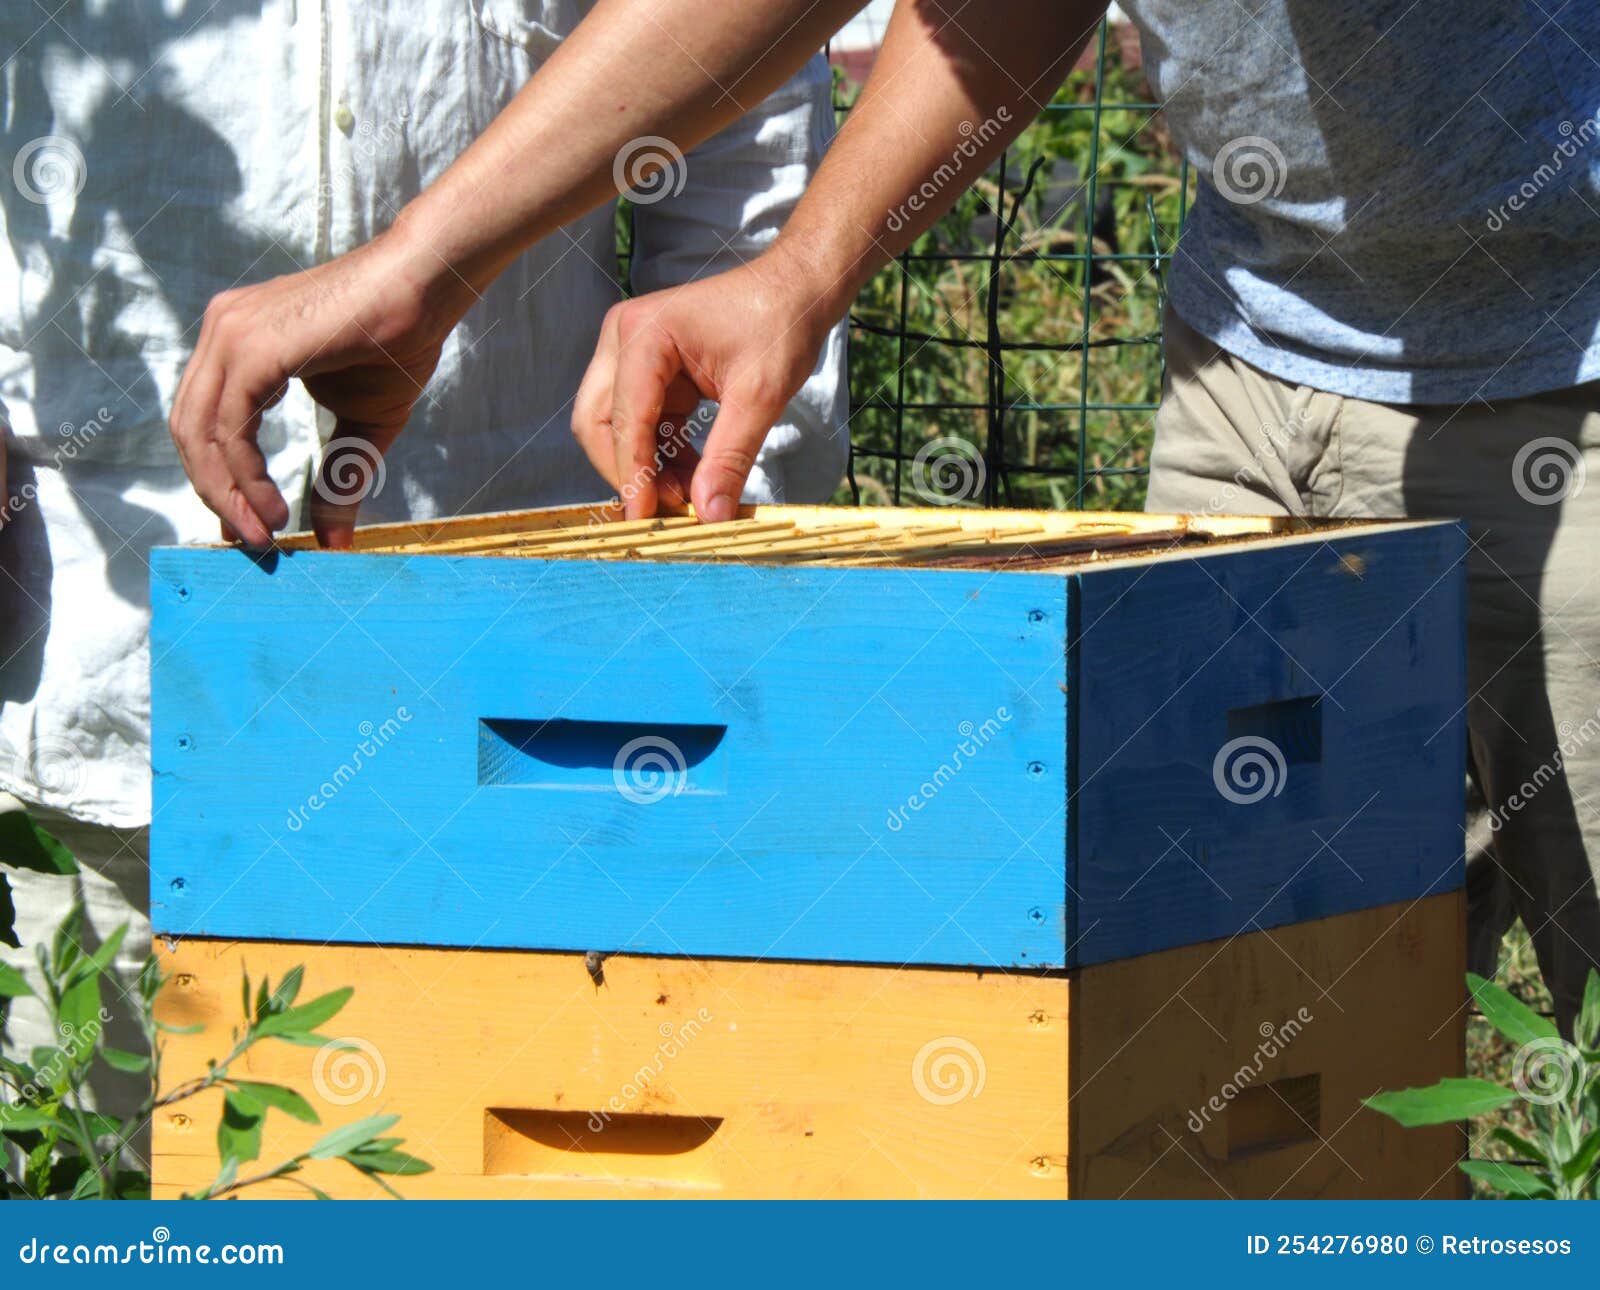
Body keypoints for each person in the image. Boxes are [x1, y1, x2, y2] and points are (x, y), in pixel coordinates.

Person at [167, 0, 1600, 1035]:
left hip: (1573, 373)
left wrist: (430, 257)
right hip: (1245, 359)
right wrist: (796, 270)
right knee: (1229, 1064)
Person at [0, 0, 846, 1137]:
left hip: (543, 695)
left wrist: (715, 548)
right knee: (102, 1178)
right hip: (102, 673)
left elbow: (750, 134)